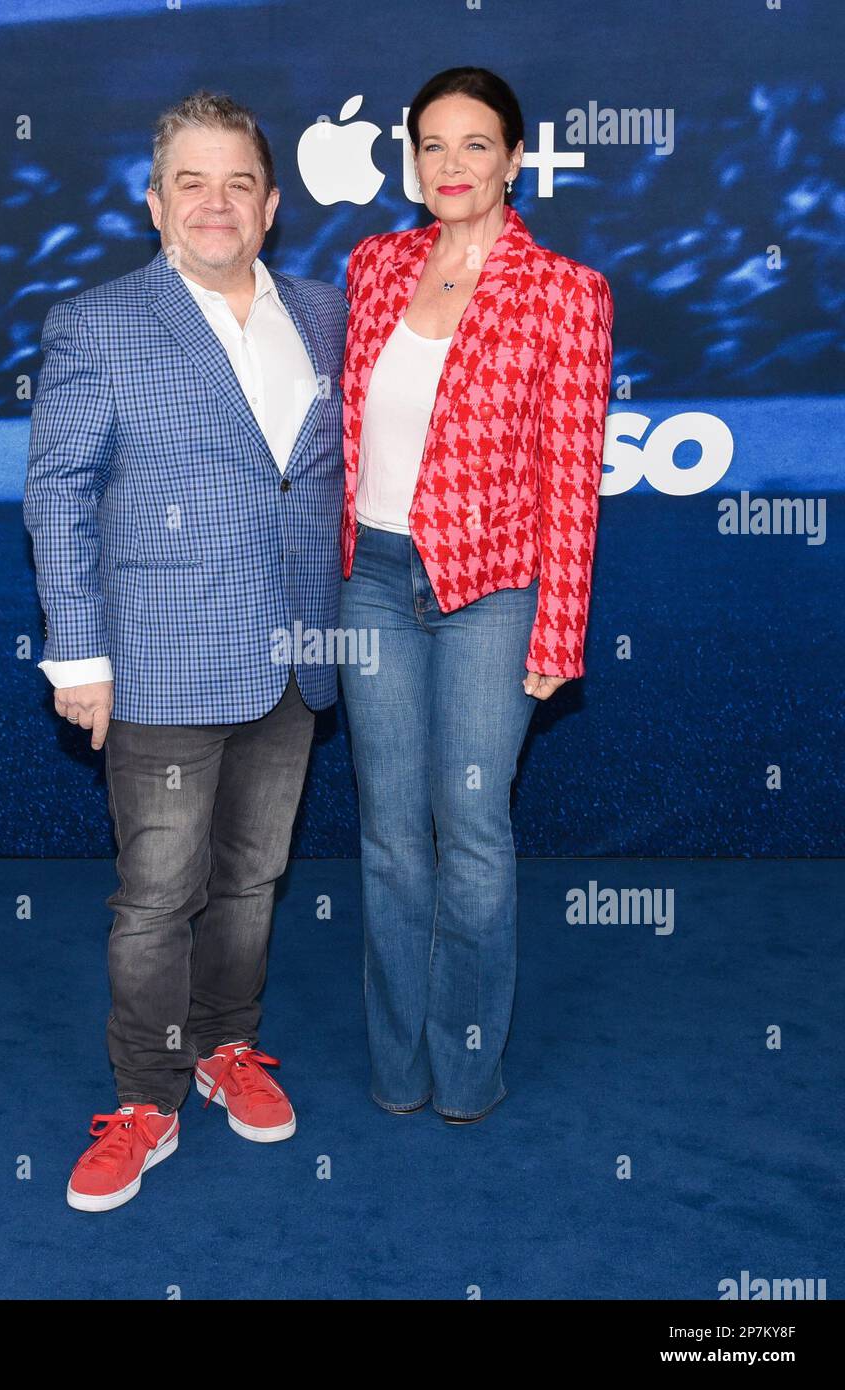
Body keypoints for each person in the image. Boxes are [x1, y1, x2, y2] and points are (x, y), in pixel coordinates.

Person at [23, 91, 347, 1210]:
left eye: (239, 183)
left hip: (296, 649)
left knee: (252, 879)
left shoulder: (323, 312)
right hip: (158, 656)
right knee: (157, 895)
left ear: (269, 206)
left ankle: (225, 1044)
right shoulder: (96, 321)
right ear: (155, 202)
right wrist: (78, 655)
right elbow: (57, 493)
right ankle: (147, 1095)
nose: (217, 203)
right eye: (192, 183)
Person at [339, 66, 614, 1124]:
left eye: (473, 144)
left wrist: (560, 625)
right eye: (432, 146)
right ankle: (394, 1062)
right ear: (411, 161)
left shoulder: (564, 291)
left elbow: (569, 479)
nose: (450, 166)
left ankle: (463, 1065)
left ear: (511, 159)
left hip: (492, 588)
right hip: (368, 578)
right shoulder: (373, 265)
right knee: (387, 833)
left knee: (469, 826)